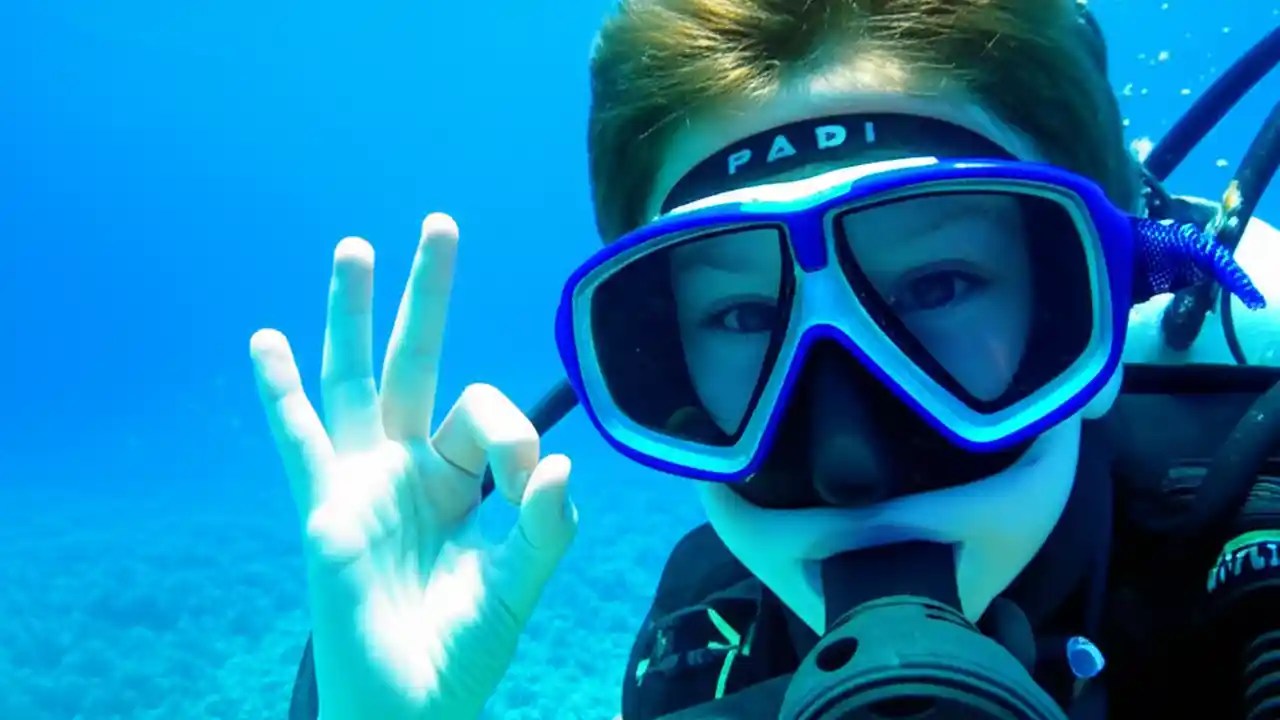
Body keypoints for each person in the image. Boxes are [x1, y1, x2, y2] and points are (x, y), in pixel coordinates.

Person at [250, 1, 1280, 718]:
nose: (845, 461)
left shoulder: (1252, 544)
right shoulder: (701, 651)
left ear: (1086, 296)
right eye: (743, 316)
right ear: (660, 361)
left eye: (936, 286)